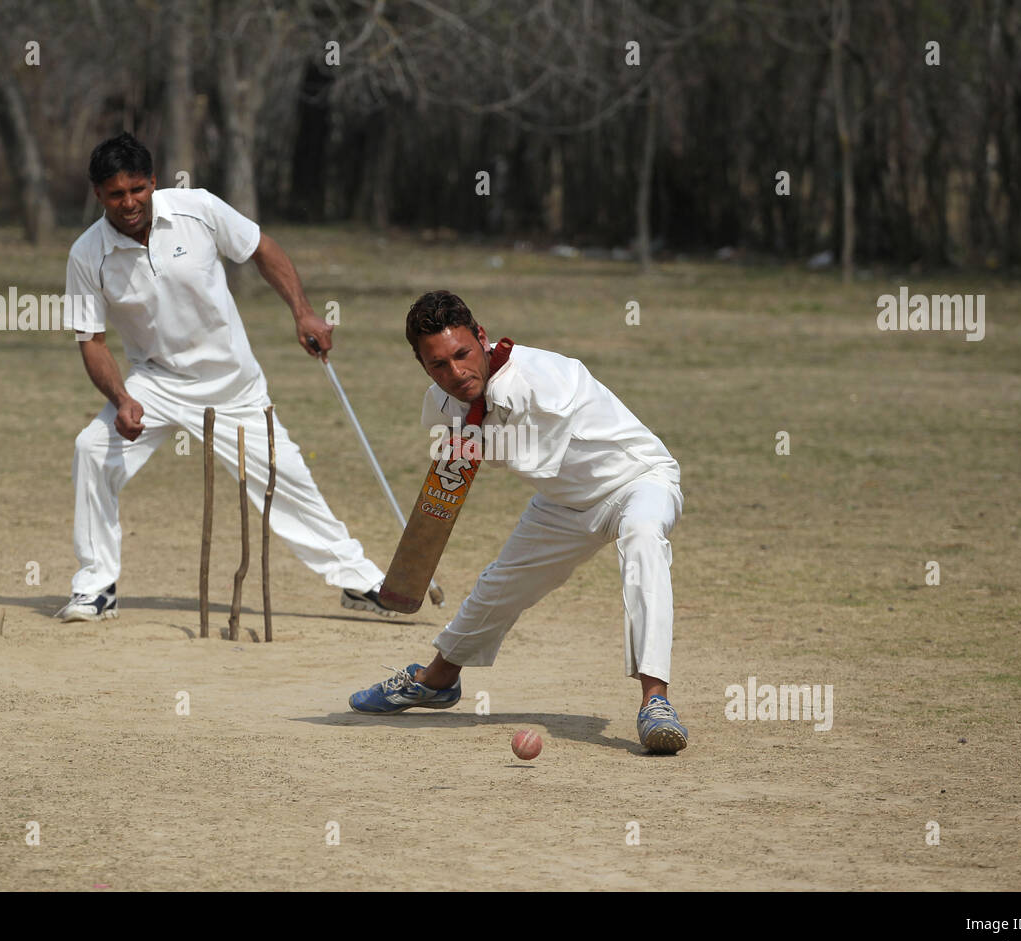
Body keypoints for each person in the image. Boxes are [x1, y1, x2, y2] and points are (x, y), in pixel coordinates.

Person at [55, 133, 398, 622]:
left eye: (137, 189)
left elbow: (262, 248)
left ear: (153, 183)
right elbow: (92, 340)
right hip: (155, 384)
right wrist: (121, 398)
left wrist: (302, 312)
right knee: (92, 449)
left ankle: (360, 582)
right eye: (115, 194)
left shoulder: (198, 208)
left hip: (233, 385)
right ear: (98, 195)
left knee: (287, 480)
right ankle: (96, 587)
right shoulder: (87, 255)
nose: (129, 203)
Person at [348, 291, 688, 753]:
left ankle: (656, 703)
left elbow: (514, 449)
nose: (455, 373)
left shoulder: (543, 378)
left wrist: (466, 440)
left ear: (482, 338)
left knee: (643, 536)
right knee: (500, 584)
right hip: (564, 502)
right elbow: (453, 467)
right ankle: (435, 681)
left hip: (637, 481)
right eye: (438, 365)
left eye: (463, 355)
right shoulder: (445, 402)